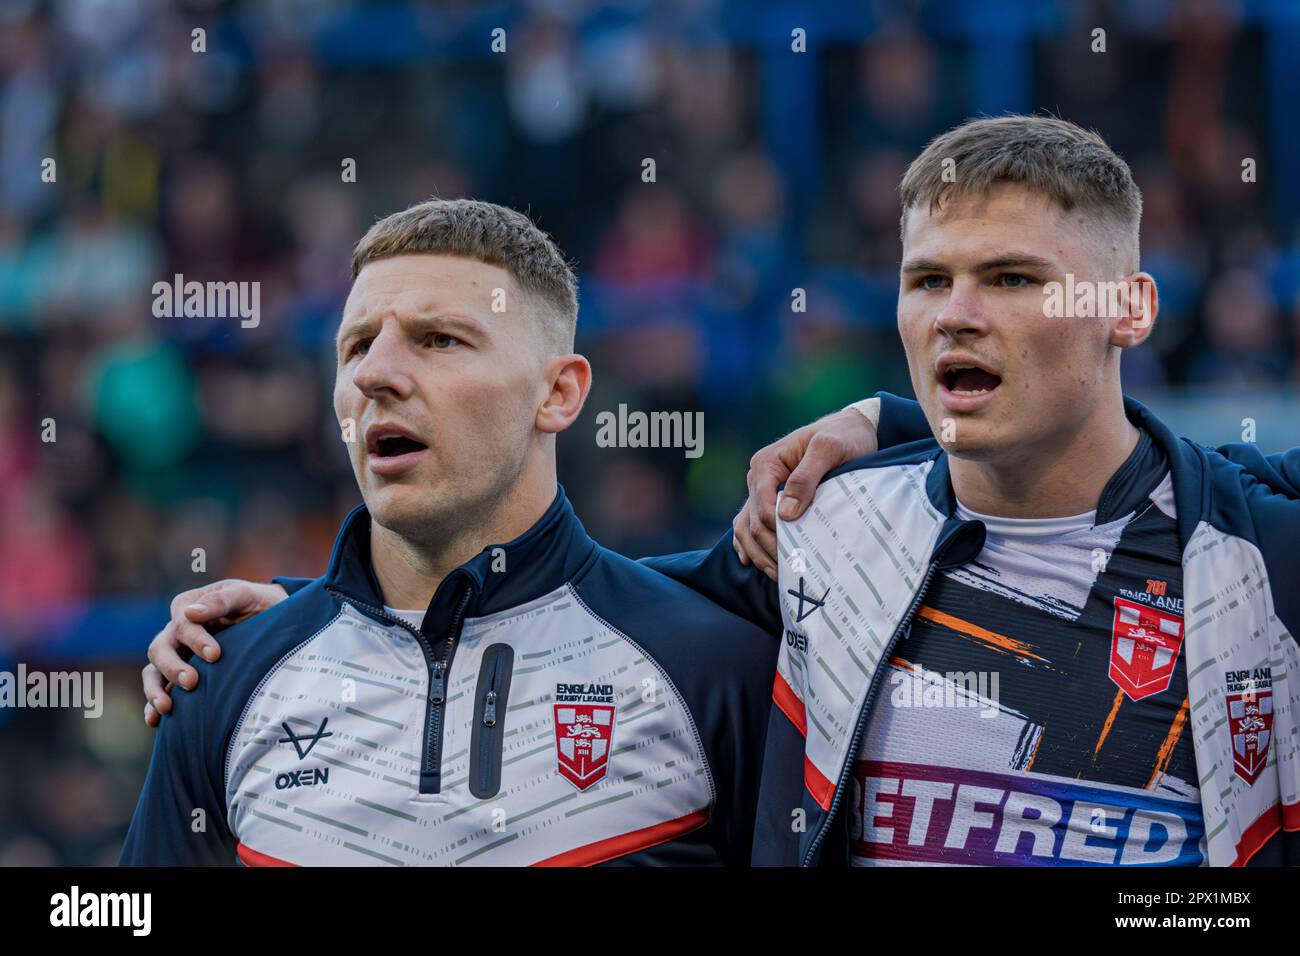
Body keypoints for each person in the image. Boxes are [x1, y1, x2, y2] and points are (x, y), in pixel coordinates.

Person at [141, 117, 1300, 868]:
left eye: (1010, 278)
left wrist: (887, 417)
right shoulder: (823, 534)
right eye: (926, 280)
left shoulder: (1261, 562)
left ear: (1128, 308)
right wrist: (310, 616)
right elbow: (562, 599)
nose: (956, 313)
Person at [120, 199, 778, 867]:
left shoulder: (716, 667)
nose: (374, 374)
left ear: (558, 394)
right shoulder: (224, 677)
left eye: (438, 340)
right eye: (357, 346)